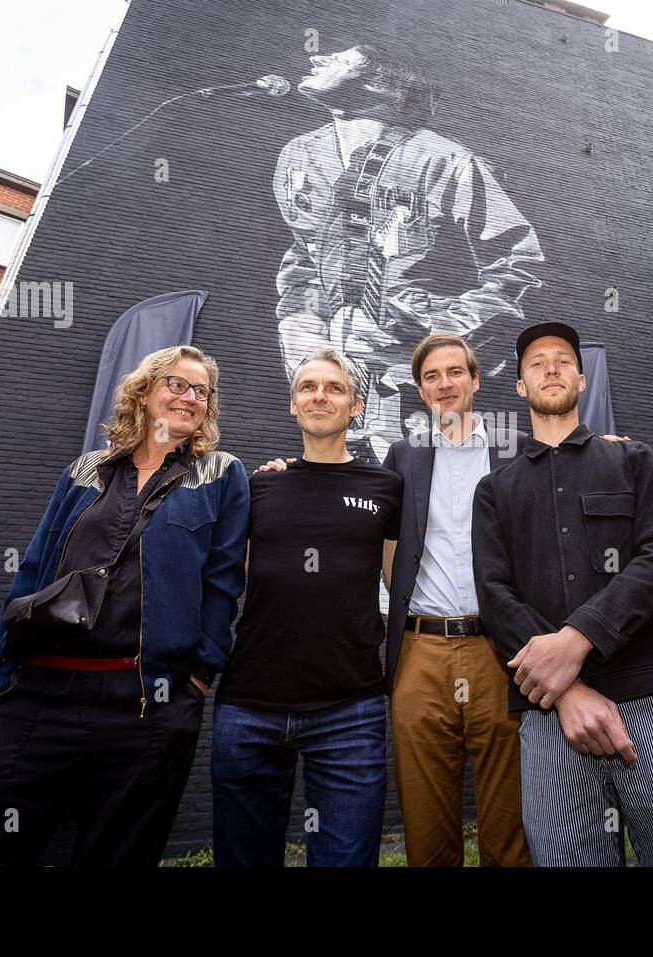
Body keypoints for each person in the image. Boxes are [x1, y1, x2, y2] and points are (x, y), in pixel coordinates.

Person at [0, 346, 250, 866]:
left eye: (202, 391)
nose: (190, 397)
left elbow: (223, 585)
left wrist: (196, 679)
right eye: (177, 384)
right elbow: (31, 579)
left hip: (148, 702)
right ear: (144, 391)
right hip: (40, 696)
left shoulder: (219, 474)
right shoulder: (85, 470)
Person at [471, 321, 653, 867]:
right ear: (520, 387)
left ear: (582, 380)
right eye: (536, 362)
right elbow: (495, 596)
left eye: (562, 359)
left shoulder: (633, 461)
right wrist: (566, 691)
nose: (550, 368)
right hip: (549, 714)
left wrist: (578, 638)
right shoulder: (495, 489)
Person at [273, 43, 544, 461]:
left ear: (383, 81)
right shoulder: (298, 155)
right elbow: (306, 252)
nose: (316, 58)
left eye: (342, 59)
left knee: (419, 499)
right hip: (338, 392)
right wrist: (300, 321)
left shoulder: (447, 160)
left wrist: (431, 333)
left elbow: (518, 265)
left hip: (413, 388)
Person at [212, 348, 403, 867]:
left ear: (356, 406)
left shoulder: (385, 488)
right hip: (248, 706)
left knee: (344, 859)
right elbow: (225, 580)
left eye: (334, 388)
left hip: (351, 709)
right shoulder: (257, 486)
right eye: (308, 387)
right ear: (292, 404)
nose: (320, 395)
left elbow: (400, 582)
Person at [377, 332, 529, 866]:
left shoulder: (517, 451)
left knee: (511, 826)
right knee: (426, 827)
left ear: (475, 379)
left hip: (500, 652)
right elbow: (374, 527)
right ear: (421, 390)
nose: (444, 384)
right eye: (431, 377)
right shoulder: (404, 456)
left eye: (454, 372)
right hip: (422, 653)